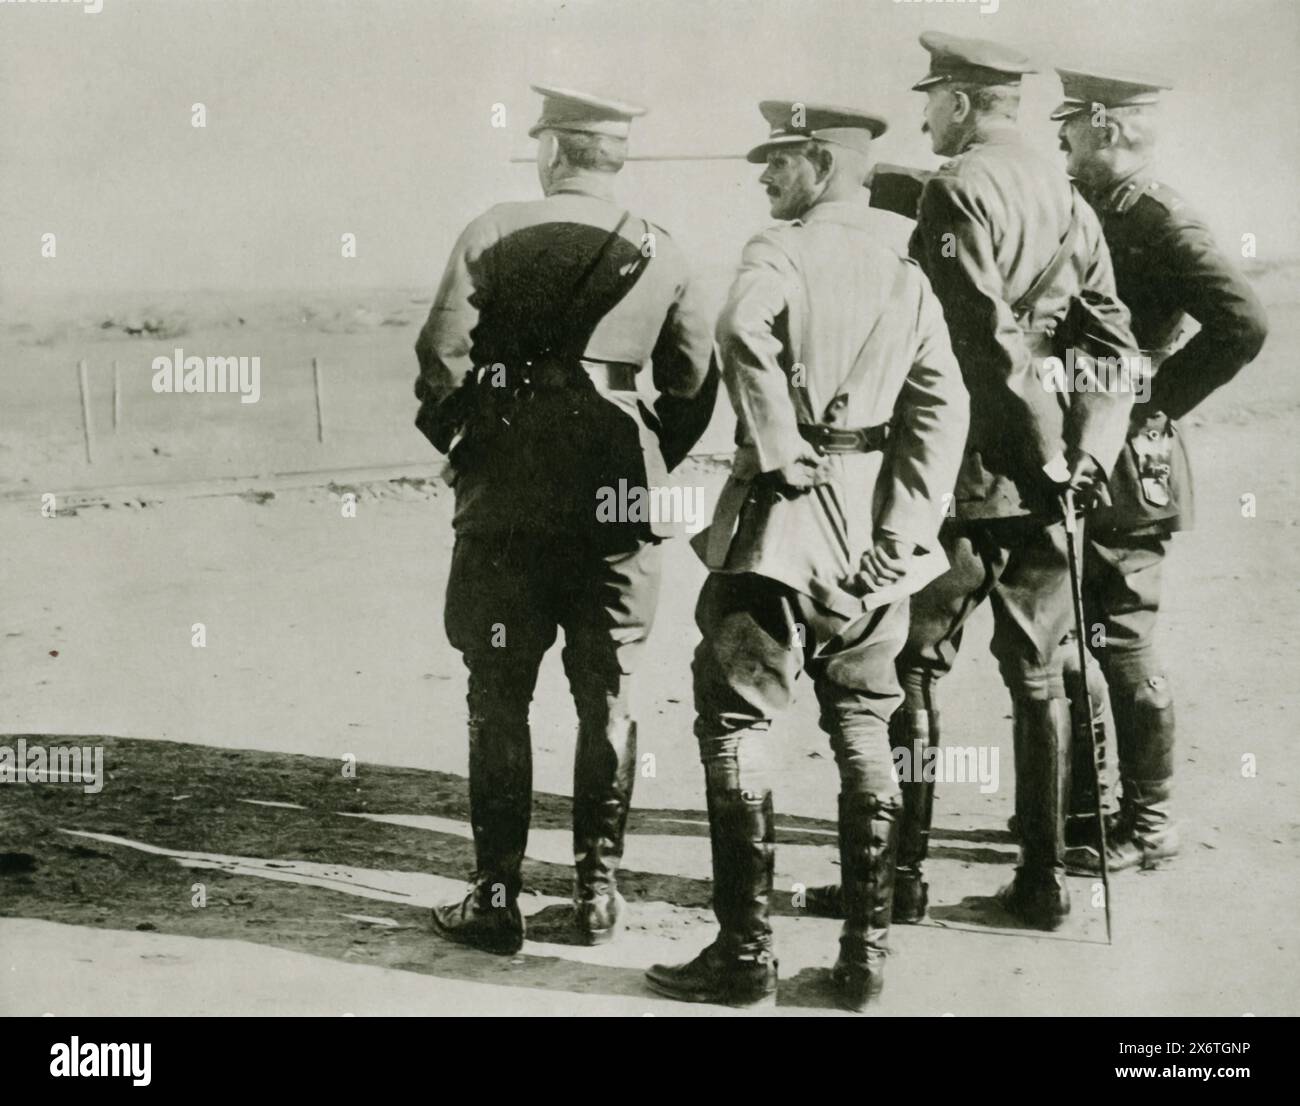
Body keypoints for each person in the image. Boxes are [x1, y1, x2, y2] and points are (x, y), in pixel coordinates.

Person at [806, 32, 1140, 931]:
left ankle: (899, 879)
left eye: (931, 102)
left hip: (967, 471)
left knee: (912, 668)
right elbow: (1114, 346)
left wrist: (1036, 454)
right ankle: (1042, 880)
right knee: (1041, 675)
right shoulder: (1069, 196)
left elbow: (984, 346)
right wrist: (1087, 457)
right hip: (1055, 481)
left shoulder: (959, 189)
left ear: (959, 102)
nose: (924, 117)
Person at [645, 101, 968, 1010]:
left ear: (822, 165)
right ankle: (865, 962)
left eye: (779, 162)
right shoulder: (909, 269)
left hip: (779, 531)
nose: (764, 180)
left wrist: (780, 441)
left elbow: (740, 328)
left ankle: (745, 959)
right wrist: (904, 535)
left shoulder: (775, 250)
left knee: (737, 724)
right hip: (873, 539)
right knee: (865, 727)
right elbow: (943, 408)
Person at [415, 85, 717, 954]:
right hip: (620, 500)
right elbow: (694, 382)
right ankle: (596, 896)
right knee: (608, 690)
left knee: (498, 692)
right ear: (616, 157)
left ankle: (497, 895)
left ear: (552, 151)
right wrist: (647, 452)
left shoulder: (490, 230)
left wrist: (465, 440)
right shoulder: (668, 248)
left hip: (507, 501)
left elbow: (441, 358)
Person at [1052, 67, 1269, 872]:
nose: (1062, 144)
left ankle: (1145, 820)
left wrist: (1153, 401)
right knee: (1074, 631)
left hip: (1123, 459)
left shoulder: (1159, 218)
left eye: (1069, 127)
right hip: (1083, 438)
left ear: (1104, 124)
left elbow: (1243, 323)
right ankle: (1082, 813)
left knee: (1122, 640)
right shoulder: (1097, 210)